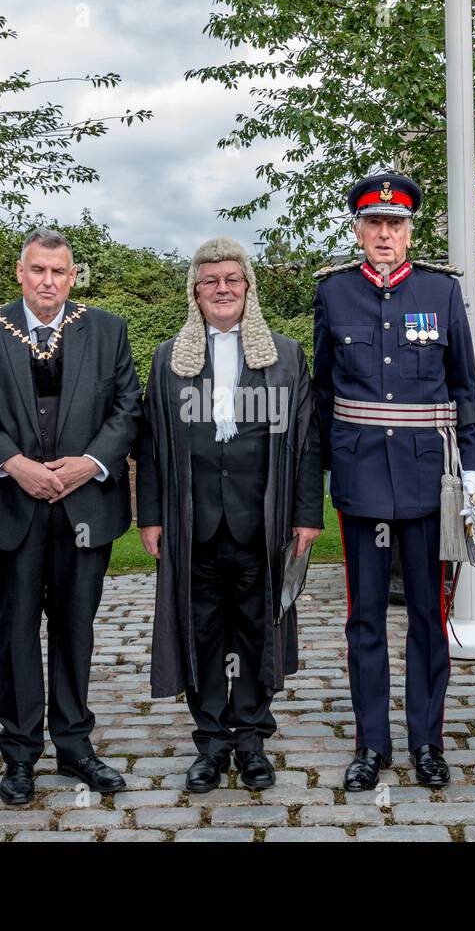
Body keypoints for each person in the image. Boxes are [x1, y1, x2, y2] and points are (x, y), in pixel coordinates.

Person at [0, 227, 142, 805]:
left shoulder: (106, 329)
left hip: (85, 505)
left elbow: (127, 405)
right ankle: (19, 753)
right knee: (13, 633)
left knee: (74, 628)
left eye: (59, 272)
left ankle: (76, 745)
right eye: (38, 270)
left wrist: (89, 463)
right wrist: (15, 464)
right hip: (12, 505)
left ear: (73, 275)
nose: (48, 281)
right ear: (20, 272)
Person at [312, 172, 475, 791]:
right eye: (374, 224)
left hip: (427, 480)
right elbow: (322, 394)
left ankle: (426, 740)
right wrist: (316, 478)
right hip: (360, 479)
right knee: (364, 618)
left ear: (410, 230)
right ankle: (370, 744)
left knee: (426, 616)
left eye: (396, 224)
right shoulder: (334, 294)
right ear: (358, 230)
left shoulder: (441, 293)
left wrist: (471, 465)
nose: (385, 234)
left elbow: (464, 387)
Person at [135, 237, 323, 792]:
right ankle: (212, 742)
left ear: (248, 288)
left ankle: (252, 741)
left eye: (232, 279)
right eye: (210, 280)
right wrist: (150, 515)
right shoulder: (169, 357)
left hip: (260, 521)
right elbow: (148, 443)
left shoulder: (285, 355)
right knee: (204, 631)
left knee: (256, 628)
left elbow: (309, 443)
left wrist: (307, 515)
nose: (222, 288)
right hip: (194, 522)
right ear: (195, 291)